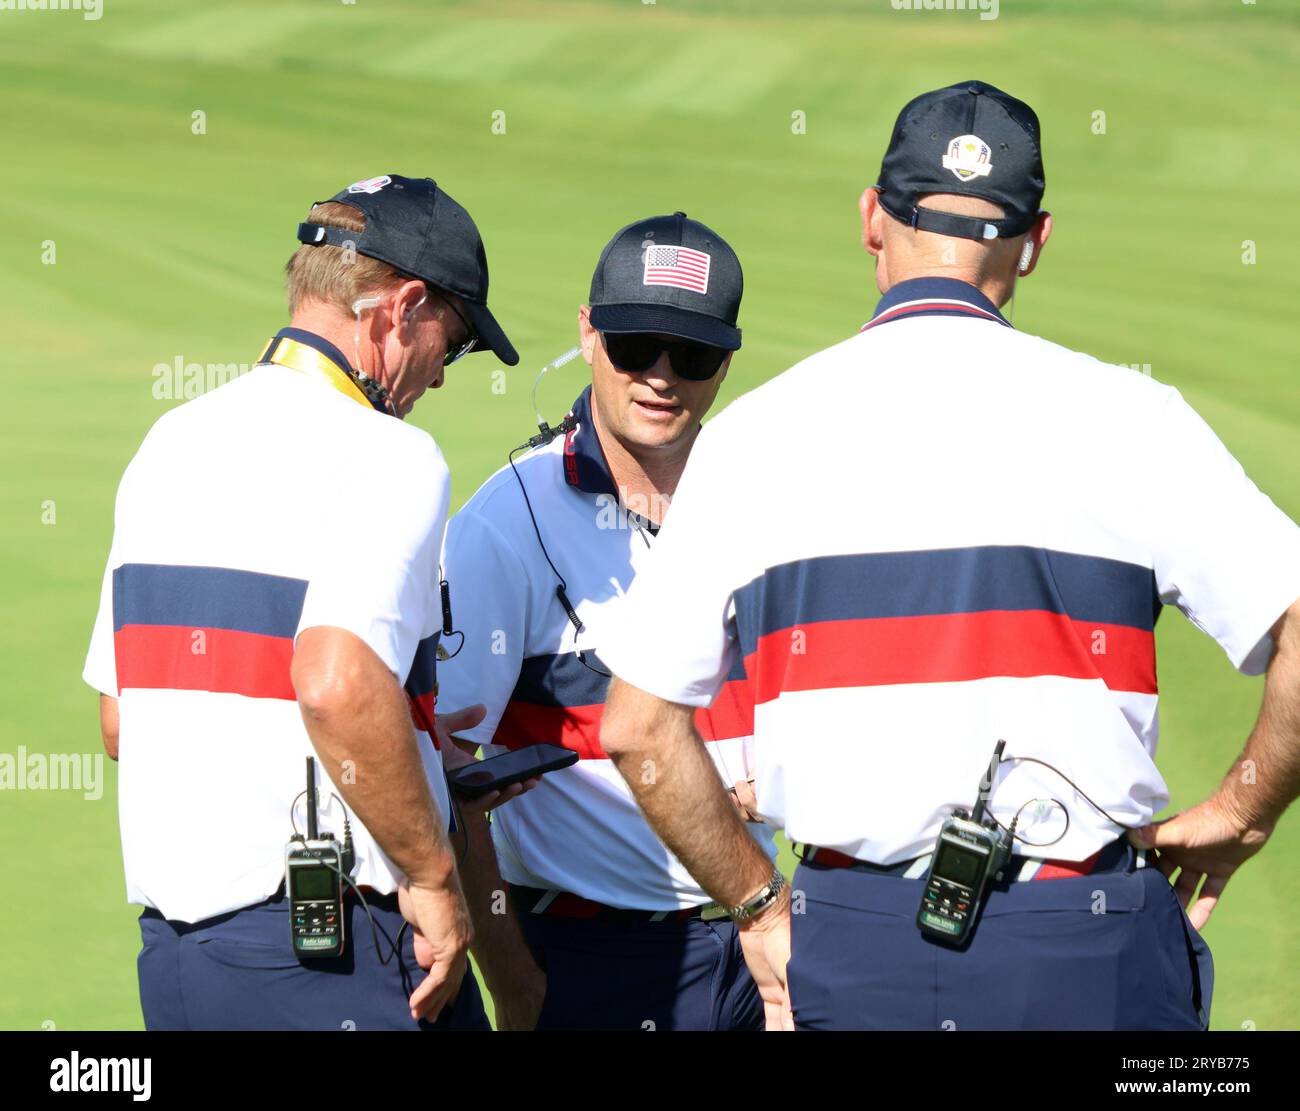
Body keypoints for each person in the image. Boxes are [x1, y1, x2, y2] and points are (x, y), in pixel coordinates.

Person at [597, 81, 1300, 1031]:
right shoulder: (1133, 416)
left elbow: (638, 728)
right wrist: (1244, 809)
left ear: (871, 221)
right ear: (1035, 240)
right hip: (1090, 935)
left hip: (855, 938)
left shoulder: (755, 437)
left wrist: (761, 909)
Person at [83, 173, 523, 1030]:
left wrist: (412, 754)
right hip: (332, 954)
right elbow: (331, 683)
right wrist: (433, 876)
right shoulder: (389, 453)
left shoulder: (168, 441)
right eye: (455, 341)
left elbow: (122, 722)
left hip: (180, 964)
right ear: (398, 312)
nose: (438, 378)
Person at [437, 212, 773, 1030]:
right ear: (588, 334)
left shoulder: (768, 500)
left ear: (726, 360)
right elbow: (446, 777)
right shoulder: (505, 521)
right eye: (635, 347)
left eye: (690, 355)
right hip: (588, 959)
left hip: (757, 940)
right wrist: (515, 979)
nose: (661, 377)